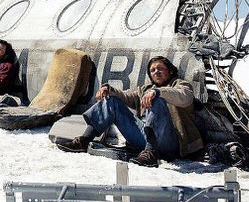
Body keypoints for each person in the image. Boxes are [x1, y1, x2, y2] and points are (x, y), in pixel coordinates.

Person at [54, 56, 204, 166]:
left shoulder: (181, 85)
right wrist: (108, 89)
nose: (156, 72)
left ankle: (151, 153)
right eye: (152, 70)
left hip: (172, 142)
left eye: (160, 69)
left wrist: (158, 93)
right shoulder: (145, 90)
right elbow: (125, 96)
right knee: (111, 100)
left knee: (157, 100)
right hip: (143, 139)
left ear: (170, 71)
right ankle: (83, 140)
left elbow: (184, 97)